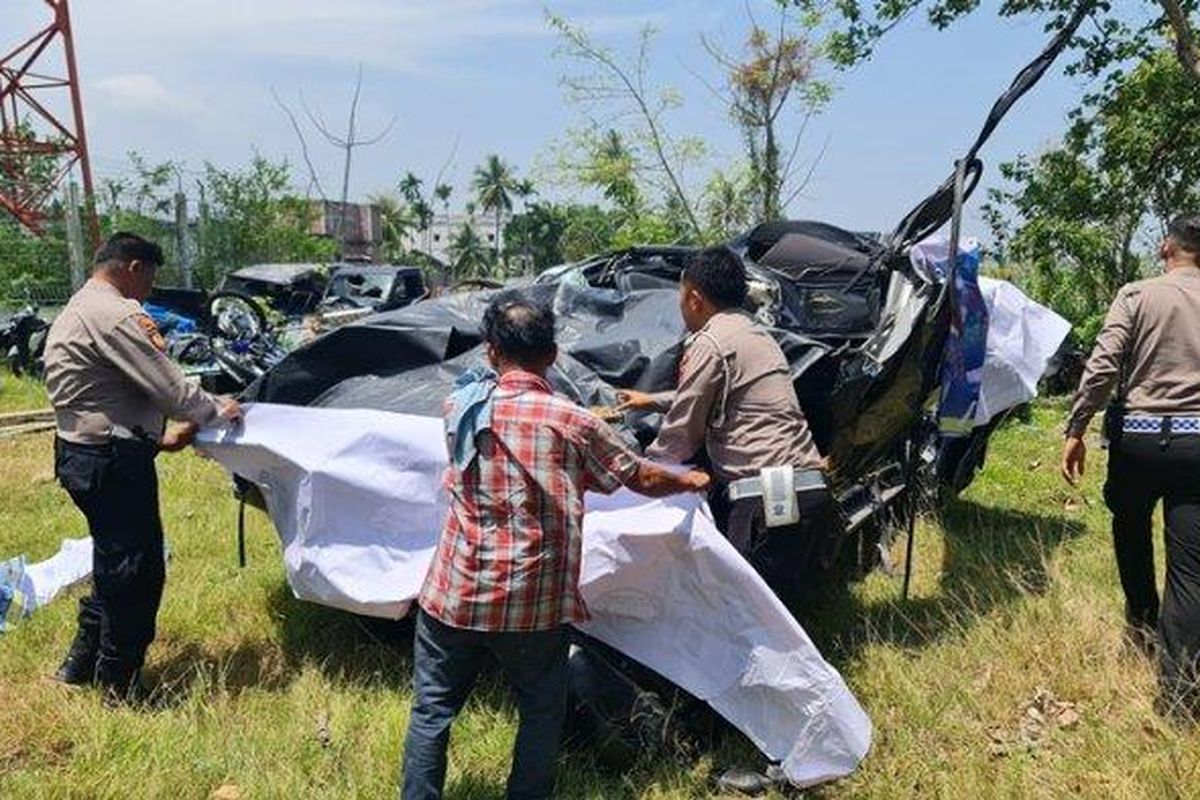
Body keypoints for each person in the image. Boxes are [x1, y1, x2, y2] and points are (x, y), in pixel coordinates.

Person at [400, 299, 710, 800]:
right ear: (554, 353)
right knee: (541, 710)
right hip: (532, 604)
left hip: (455, 594)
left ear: (492, 351)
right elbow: (639, 475)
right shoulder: (574, 423)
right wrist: (688, 479)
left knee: (433, 710)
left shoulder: (459, 408)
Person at [43, 232, 241, 703]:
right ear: (132, 267)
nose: (151, 290)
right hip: (112, 461)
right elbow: (171, 389)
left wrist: (158, 437)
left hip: (81, 452)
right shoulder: (118, 314)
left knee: (112, 559)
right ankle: (120, 684)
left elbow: (103, 393)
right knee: (137, 570)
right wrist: (218, 409)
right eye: (150, 277)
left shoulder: (79, 306)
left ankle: (80, 663)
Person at [617, 246, 836, 603]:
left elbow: (680, 437)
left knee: (743, 613)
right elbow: (733, 398)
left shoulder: (709, 342)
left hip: (767, 502)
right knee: (786, 613)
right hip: (811, 492)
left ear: (694, 298)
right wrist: (652, 400)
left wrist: (637, 472)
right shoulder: (758, 334)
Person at [1061, 213, 1200, 718]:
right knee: (1190, 569)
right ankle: (1179, 698)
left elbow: (1102, 365)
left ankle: (1140, 623)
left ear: (1167, 247)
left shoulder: (1137, 295)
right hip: (1196, 445)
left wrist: (1076, 428)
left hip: (1138, 439)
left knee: (1131, 527)